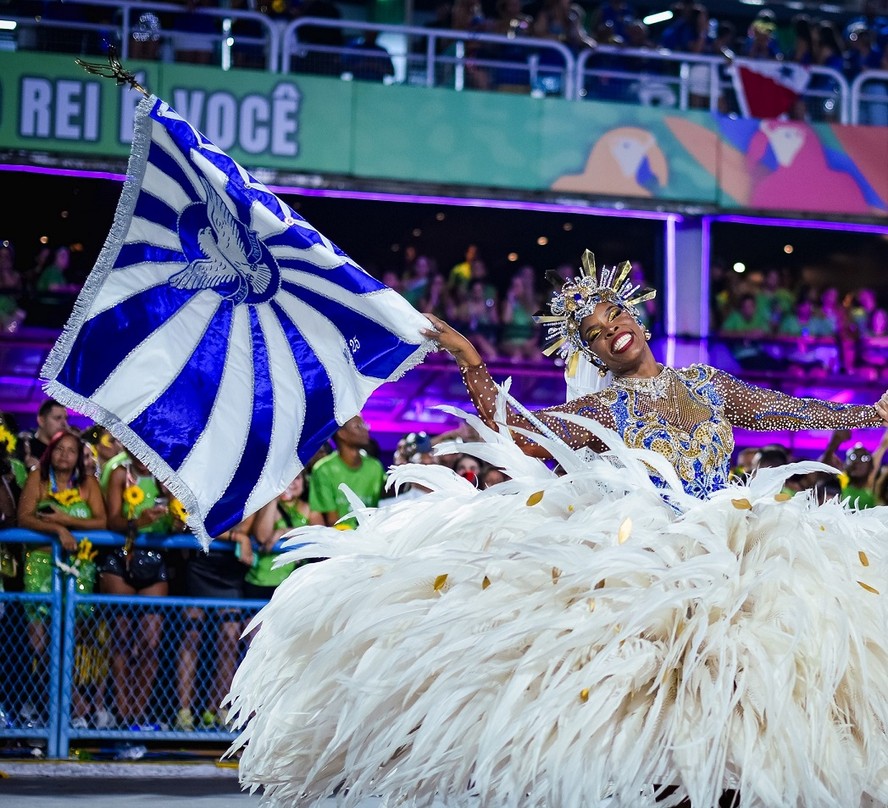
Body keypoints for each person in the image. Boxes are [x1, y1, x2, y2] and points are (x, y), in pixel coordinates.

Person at [227, 251, 888, 808]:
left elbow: (790, 408)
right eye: (594, 331)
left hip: (733, 560)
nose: (610, 331)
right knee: (656, 719)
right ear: (590, 351)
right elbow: (514, 433)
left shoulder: (709, 384)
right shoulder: (601, 406)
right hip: (652, 566)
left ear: (637, 315)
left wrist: (872, 412)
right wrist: (466, 356)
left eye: (615, 314)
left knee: (757, 702)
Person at [16, 429, 107, 727]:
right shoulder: (37, 480)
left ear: (79, 456)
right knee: (41, 642)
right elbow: (25, 518)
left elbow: (101, 521)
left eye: (70, 450)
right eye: (59, 449)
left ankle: (66, 705)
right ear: (50, 452)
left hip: (81, 567)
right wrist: (58, 531)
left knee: (72, 638)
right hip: (42, 565)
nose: (64, 455)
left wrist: (64, 520)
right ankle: (62, 707)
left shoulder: (89, 483)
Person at [100, 449, 173, 729]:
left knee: (150, 643)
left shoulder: (165, 478)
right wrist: (137, 523)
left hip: (155, 562)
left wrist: (176, 517)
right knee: (121, 638)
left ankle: (138, 714)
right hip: (121, 559)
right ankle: (122, 711)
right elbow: (113, 520)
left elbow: (176, 523)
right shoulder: (121, 473)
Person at [244, 471, 323, 601]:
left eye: (296, 478)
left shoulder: (309, 509)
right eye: (284, 479)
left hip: (295, 585)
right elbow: (263, 537)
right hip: (262, 581)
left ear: (304, 481)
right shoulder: (267, 506)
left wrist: (283, 532)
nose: (289, 483)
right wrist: (273, 496)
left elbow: (318, 534)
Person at [308, 415, 386, 528]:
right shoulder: (324, 469)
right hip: (339, 538)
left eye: (364, 424)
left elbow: (383, 506)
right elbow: (332, 520)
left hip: (373, 534)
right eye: (358, 426)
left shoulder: (375, 467)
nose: (366, 429)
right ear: (341, 433)